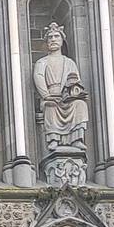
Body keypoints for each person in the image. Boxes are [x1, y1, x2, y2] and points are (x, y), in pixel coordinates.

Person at [32, 23, 88, 151]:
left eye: (56, 36)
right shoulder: (43, 62)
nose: (53, 40)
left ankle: (76, 138)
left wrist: (73, 93)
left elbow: (75, 81)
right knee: (50, 106)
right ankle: (53, 138)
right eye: (50, 37)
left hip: (66, 97)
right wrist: (46, 95)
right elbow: (38, 77)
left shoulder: (69, 62)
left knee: (80, 104)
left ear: (62, 41)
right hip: (51, 95)